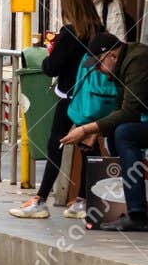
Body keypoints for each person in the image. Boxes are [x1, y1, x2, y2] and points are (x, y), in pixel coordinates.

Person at [11, 0, 102, 219]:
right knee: (89, 147)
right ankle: (83, 201)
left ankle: (40, 200)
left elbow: (51, 67)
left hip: (70, 97)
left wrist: (50, 52)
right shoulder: (100, 32)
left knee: (56, 144)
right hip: (93, 98)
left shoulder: (70, 33)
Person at [59, 31, 148, 231]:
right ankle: (127, 204)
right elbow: (121, 110)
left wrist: (85, 129)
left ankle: (137, 213)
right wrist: (96, 132)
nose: (98, 71)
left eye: (98, 65)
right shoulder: (122, 65)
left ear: (111, 55)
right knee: (116, 134)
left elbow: (130, 112)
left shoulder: (137, 61)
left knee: (124, 133)